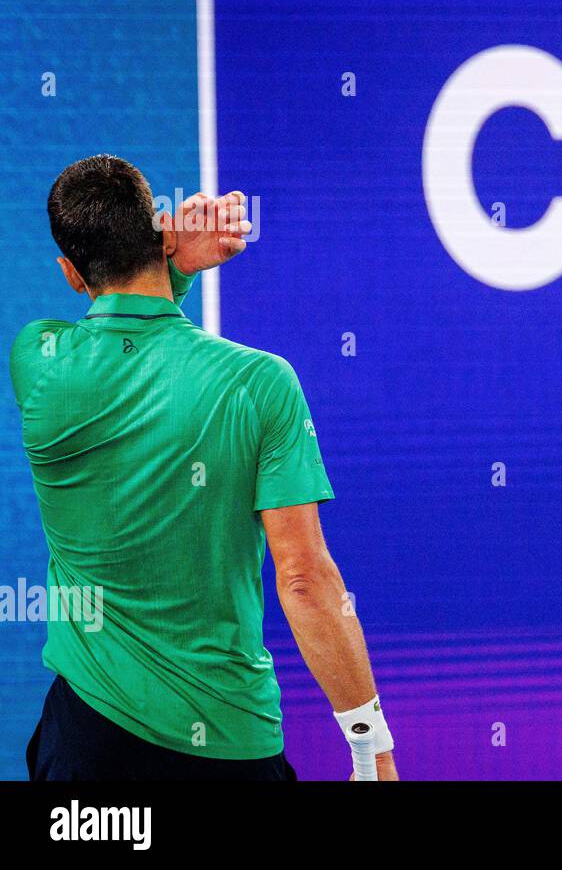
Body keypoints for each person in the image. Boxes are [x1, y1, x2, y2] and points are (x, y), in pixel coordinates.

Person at [10, 154, 397, 780]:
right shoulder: (259, 384)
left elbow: (128, 349)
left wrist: (171, 268)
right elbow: (303, 581)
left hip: (85, 743)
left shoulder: (37, 359)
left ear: (71, 274)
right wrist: (369, 745)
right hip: (226, 747)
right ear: (158, 230)